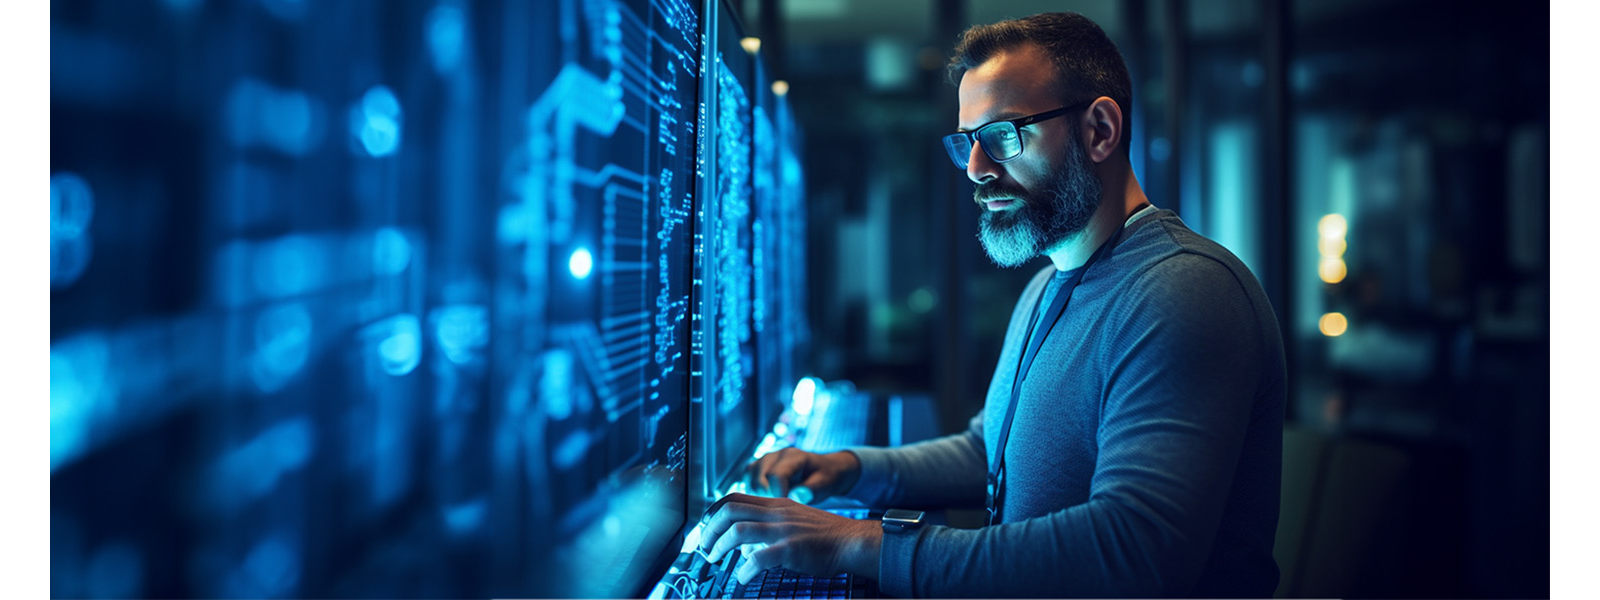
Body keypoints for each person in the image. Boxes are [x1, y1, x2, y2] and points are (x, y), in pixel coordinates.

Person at [699, 12, 1286, 598]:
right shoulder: (1048, 285)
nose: (976, 169)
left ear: (1100, 130)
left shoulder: (1183, 291)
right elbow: (992, 451)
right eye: (967, 142)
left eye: (1002, 135)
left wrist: (855, 543)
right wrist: (852, 469)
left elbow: (1133, 550)